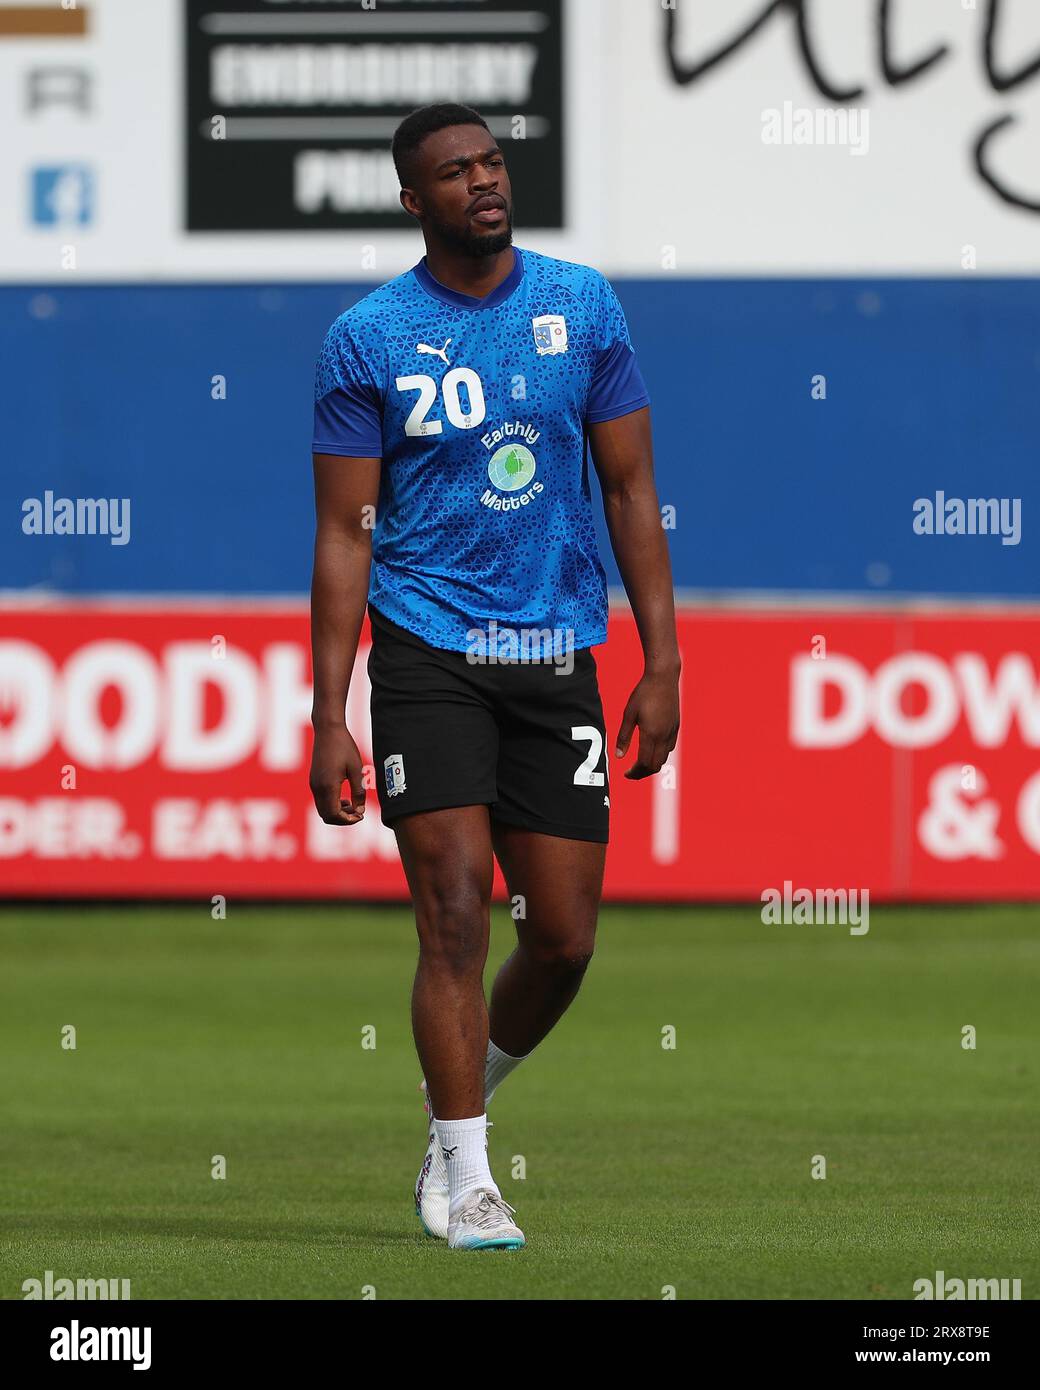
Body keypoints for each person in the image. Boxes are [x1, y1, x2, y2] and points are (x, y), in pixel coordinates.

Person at [310, 103, 680, 1251]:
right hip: (425, 654)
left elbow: (627, 491)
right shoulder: (366, 338)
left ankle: (445, 1119)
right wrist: (330, 711)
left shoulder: (582, 305)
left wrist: (660, 658)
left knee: (562, 936)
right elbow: (344, 533)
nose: (481, 182)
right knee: (455, 909)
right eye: (453, 172)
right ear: (410, 200)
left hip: (553, 652)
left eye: (491, 163)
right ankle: (471, 1180)